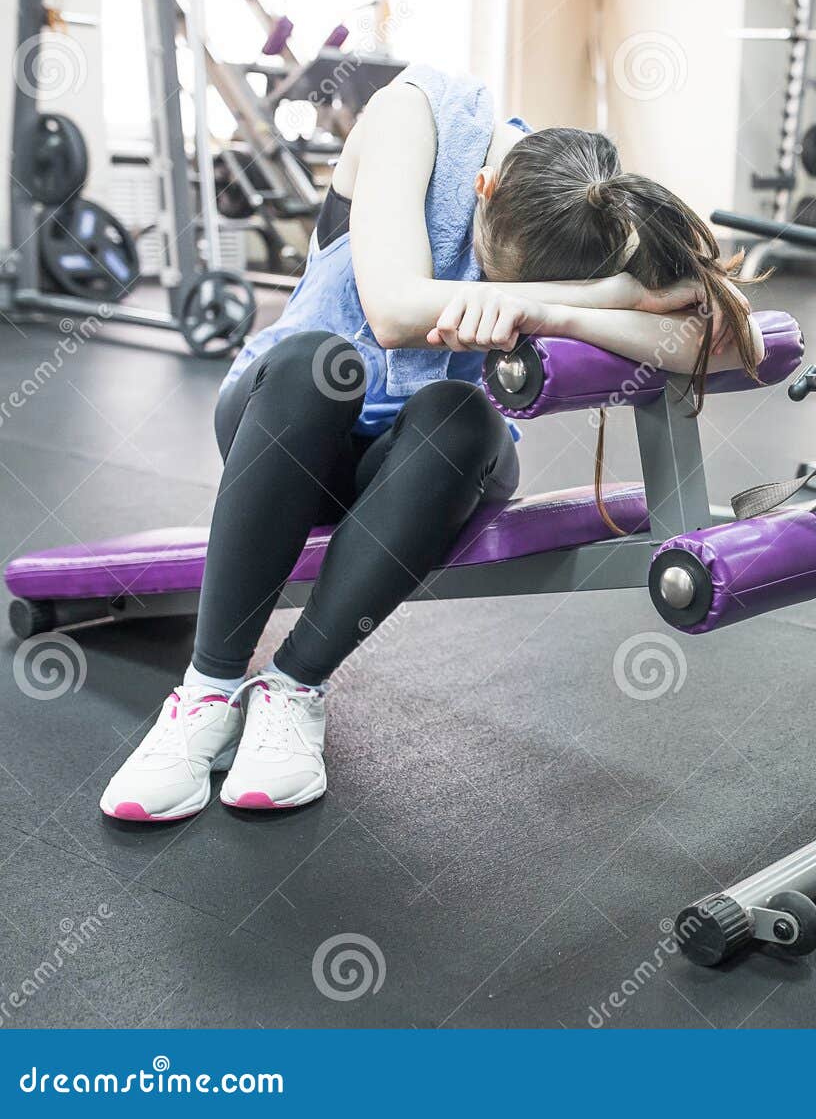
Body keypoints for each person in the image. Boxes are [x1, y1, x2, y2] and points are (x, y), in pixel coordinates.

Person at [98, 65, 760, 822]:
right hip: (287, 430)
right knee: (318, 367)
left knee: (462, 411)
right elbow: (393, 311)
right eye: (489, 270)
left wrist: (569, 313)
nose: (490, 288)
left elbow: (725, 337)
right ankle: (205, 695)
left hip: (424, 471)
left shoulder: (595, 207)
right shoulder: (413, 117)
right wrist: (599, 300)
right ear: (483, 187)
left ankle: (292, 690)